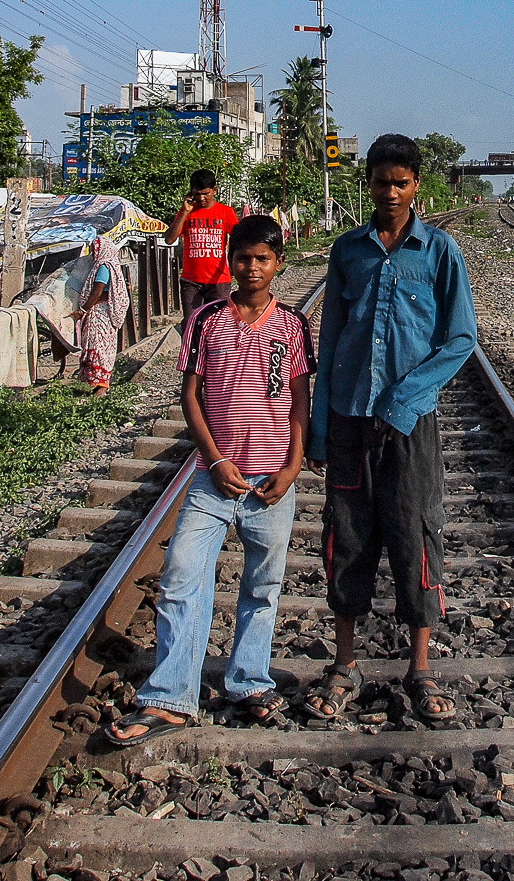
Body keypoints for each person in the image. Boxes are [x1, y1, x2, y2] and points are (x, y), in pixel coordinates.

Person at [104, 214, 313, 743]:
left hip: (271, 480)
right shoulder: (206, 320)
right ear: (229, 259)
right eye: (242, 257)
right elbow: (190, 397)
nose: (251, 267)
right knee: (179, 578)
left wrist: (292, 466)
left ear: (278, 263)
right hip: (212, 477)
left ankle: (249, 681)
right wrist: (215, 461)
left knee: (263, 586)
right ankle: (172, 694)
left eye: (262, 258)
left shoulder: (292, 326)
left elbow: (300, 403)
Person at [304, 133, 477, 726]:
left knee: (414, 533)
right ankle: (344, 662)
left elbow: (460, 341)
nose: (391, 192)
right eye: (382, 181)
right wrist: (320, 426)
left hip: (407, 424)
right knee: (346, 537)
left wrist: (405, 395)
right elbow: (329, 342)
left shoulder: (440, 253)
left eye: (402, 182)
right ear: (369, 183)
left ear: (416, 186)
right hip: (351, 419)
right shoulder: (347, 252)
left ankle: (420, 668)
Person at [166, 170, 238, 320]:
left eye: (206, 193)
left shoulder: (225, 212)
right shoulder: (187, 211)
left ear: (214, 190)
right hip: (191, 282)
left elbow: (239, 236)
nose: (202, 198)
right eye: (197, 194)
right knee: (192, 325)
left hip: (219, 282)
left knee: (218, 325)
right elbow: (169, 239)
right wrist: (185, 213)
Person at [73, 233, 130, 393]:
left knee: (99, 346)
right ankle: (99, 383)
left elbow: (97, 292)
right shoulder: (111, 264)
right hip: (105, 312)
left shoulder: (104, 266)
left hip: (100, 312)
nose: (93, 253)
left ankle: (102, 386)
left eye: (94, 249)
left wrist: (82, 310)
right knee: (102, 346)